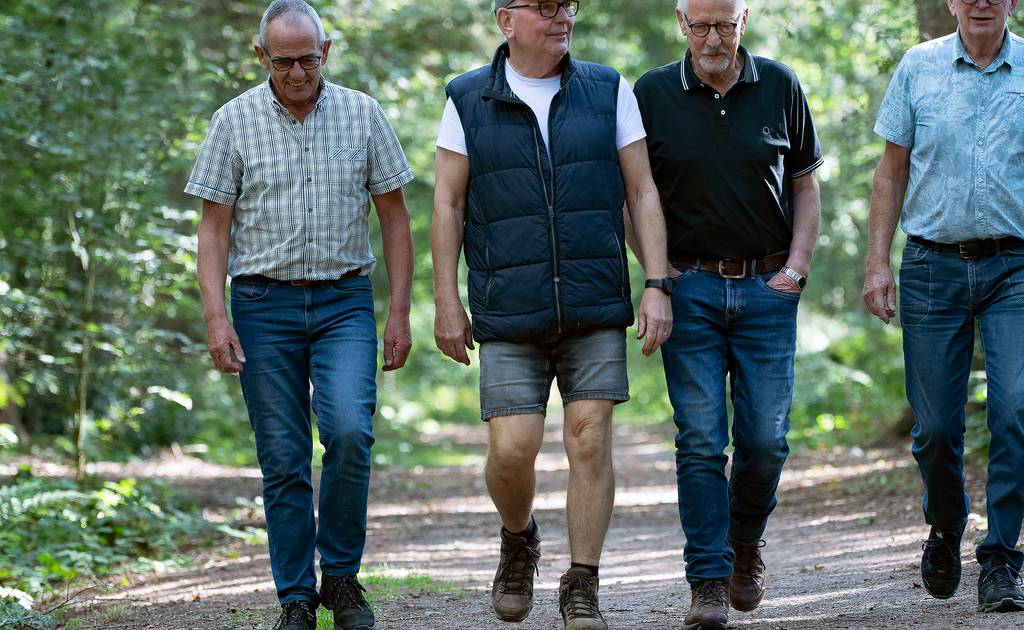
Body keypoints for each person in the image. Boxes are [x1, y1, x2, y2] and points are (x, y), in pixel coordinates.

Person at [430, 1, 673, 628]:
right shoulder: (466, 98)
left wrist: (656, 282)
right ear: (506, 21)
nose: (561, 16)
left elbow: (641, 189)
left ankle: (582, 581)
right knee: (513, 450)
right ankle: (519, 538)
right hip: (508, 306)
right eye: (544, 6)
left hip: (593, 299)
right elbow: (448, 205)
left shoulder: (608, 88)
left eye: (567, 4)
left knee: (590, 438)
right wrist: (447, 300)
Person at [863, 0, 1024, 614]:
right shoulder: (918, 67)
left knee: (1017, 410)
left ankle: (999, 560)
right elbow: (889, 174)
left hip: (1017, 265)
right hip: (931, 267)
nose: (983, 1)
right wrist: (877, 263)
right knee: (936, 428)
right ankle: (945, 527)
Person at [187, 1, 416, 628]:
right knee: (283, 456)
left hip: (345, 301)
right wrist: (216, 318)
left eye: (307, 59)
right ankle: (295, 595)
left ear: (327, 52)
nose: (296, 72)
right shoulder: (232, 123)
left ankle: (341, 578)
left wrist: (398, 313)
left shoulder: (363, 113)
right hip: (262, 304)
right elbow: (213, 230)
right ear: (262, 57)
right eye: (283, 61)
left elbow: (394, 217)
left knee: (349, 432)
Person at [632, 0, 823, 627]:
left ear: (746, 23)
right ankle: (707, 580)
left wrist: (794, 270)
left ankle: (745, 544)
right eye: (701, 26)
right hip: (690, 288)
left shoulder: (782, 83)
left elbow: (804, 184)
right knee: (701, 441)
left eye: (726, 25)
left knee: (766, 441)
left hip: (768, 287)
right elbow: (634, 198)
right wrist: (658, 276)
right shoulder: (652, 92)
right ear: (680, 25)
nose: (713, 37)